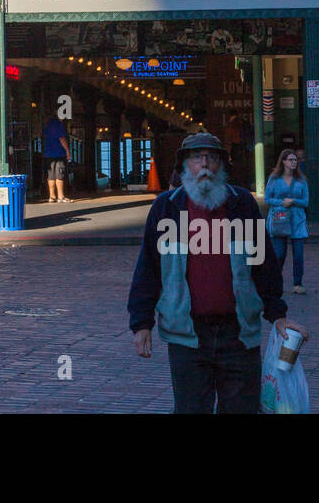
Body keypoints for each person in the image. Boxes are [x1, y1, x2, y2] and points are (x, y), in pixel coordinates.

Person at [128, 131, 307, 414]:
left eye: (211, 158)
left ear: (221, 166)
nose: (204, 165)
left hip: (238, 334)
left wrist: (278, 315)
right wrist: (141, 323)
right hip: (186, 334)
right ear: (185, 166)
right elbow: (148, 268)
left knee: (241, 409)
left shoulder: (242, 205)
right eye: (197, 158)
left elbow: (264, 265)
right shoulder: (166, 207)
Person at [263, 149, 309, 294]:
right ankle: (276, 281)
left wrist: (294, 201)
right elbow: (267, 199)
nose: (294, 162)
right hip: (280, 219)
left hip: (297, 221)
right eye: (290, 160)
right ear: (283, 162)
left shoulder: (301, 180)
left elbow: (306, 201)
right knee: (279, 254)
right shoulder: (274, 179)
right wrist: (281, 202)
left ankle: (297, 283)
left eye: (295, 160)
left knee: (298, 254)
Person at [42, 115, 71, 203]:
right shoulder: (59, 125)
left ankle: (52, 196)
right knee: (59, 174)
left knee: (50, 176)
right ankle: (61, 196)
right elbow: (61, 138)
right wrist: (67, 150)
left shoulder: (47, 126)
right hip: (58, 153)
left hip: (48, 154)